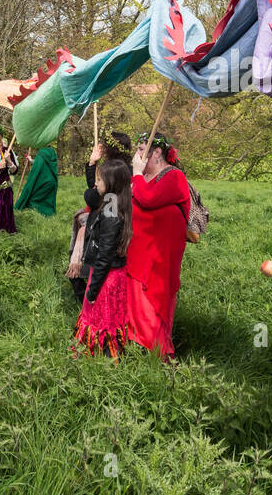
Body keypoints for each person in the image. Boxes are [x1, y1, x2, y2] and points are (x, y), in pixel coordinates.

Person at [126, 132, 191, 357]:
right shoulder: (144, 180)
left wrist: (135, 174)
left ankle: (156, 352)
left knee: (155, 303)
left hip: (159, 260)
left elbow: (148, 199)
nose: (137, 155)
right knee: (137, 304)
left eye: (142, 150)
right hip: (139, 258)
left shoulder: (174, 177)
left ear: (156, 153)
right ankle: (137, 347)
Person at [74, 159, 138, 357]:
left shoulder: (111, 212)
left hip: (106, 278)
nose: (97, 184)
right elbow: (91, 195)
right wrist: (91, 166)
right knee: (108, 317)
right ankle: (105, 352)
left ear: (110, 183)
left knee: (102, 318)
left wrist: (92, 289)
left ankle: (101, 353)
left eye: (100, 180)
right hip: (109, 274)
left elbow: (105, 254)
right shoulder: (112, 200)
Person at [67, 131, 133, 307]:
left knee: (95, 264)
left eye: (104, 144)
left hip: (102, 231)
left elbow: (93, 197)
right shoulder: (114, 168)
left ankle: (86, 297)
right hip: (100, 225)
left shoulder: (118, 172)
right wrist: (92, 163)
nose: (101, 147)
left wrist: (92, 290)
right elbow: (95, 189)